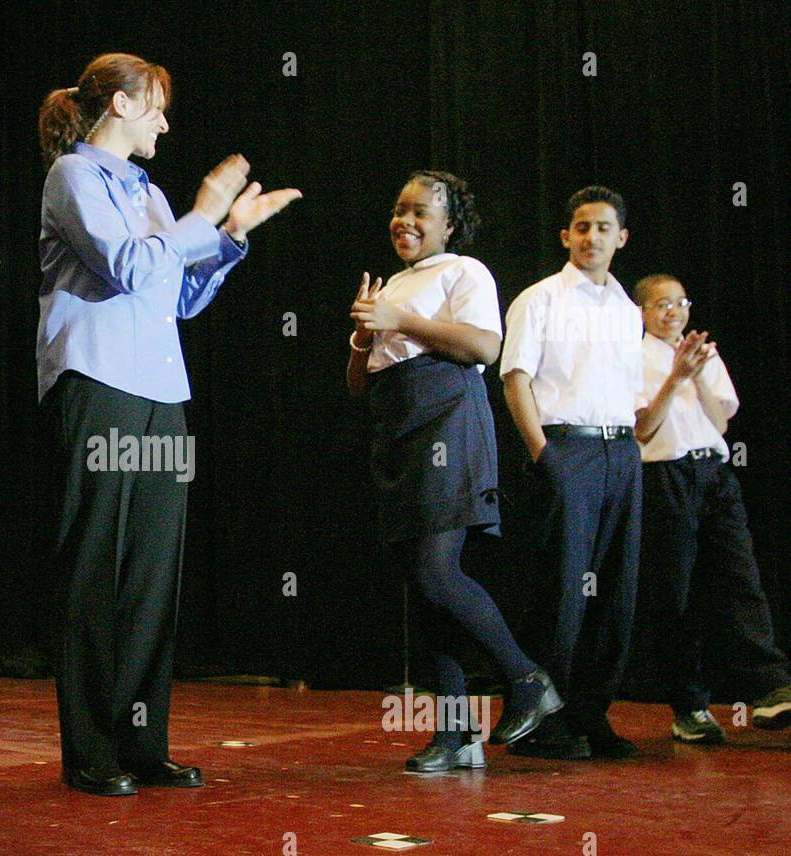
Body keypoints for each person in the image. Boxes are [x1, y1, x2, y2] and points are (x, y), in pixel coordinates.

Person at [36, 53, 301, 796]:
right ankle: (90, 749)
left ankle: (141, 741)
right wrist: (204, 213)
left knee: (154, 572)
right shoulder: (74, 176)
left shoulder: (148, 190)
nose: (164, 121)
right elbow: (125, 264)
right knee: (96, 565)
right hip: (97, 377)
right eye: (154, 106)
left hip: (160, 388)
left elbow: (177, 296)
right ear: (118, 104)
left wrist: (230, 236)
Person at [347, 170, 561, 773]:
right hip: (396, 428)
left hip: (445, 423)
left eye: (421, 212)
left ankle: (526, 680)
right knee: (422, 588)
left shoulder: (465, 272)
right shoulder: (390, 285)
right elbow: (358, 383)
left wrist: (398, 318)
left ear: (447, 224)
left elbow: (484, 348)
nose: (406, 220)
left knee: (438, 573)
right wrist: (366, 336)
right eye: (399, 208)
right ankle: (455, 734)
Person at [500, 186, 644, 760]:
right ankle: (544, 721)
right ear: (566, 236)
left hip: (622, 452)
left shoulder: (630, 311)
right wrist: (544, 456)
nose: (592, 237)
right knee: (562, 589)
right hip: (567, 450)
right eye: (581, 227)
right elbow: (515, 379)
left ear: (621, 238)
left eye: (603, 228)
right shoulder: (539, 299)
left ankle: (591, 713)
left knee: (615, 590)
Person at [632, 274, 791, 742]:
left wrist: (697, 374)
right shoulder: (631, 357)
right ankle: (690, 707)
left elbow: (720, 422)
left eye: (680, 303)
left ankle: (770, 690)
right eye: (662, 304)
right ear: (642, 312)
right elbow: (642, 430)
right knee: (676, 595)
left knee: (741, 579)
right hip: (666, 477)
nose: (674, 312)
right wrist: (674, 377)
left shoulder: (704, 354)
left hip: (715, 476)